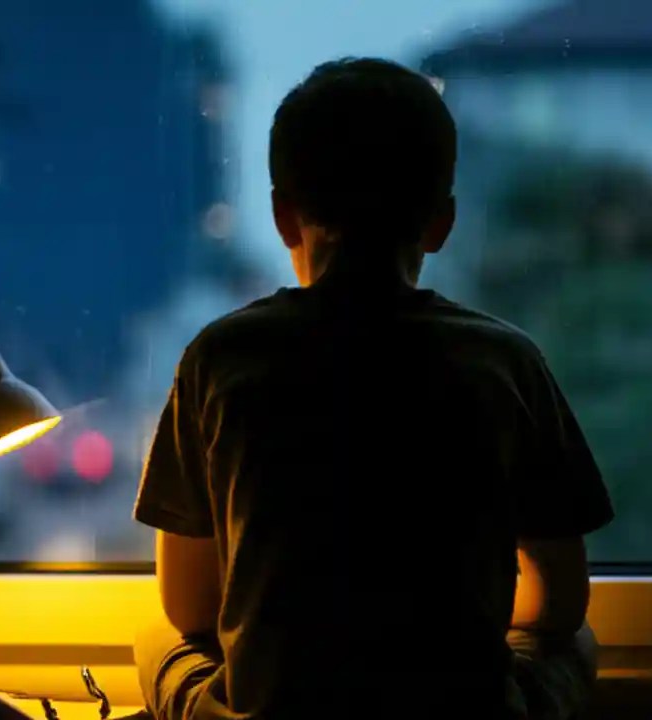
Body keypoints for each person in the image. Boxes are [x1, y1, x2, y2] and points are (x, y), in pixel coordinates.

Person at [132, 57, 614, 720]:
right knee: (576, 643)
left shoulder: (221, 357)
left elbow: (188, 607)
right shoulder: (503, 361)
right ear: (440, 222)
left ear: (283, 216)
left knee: (156, 636)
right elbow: (560, 601)